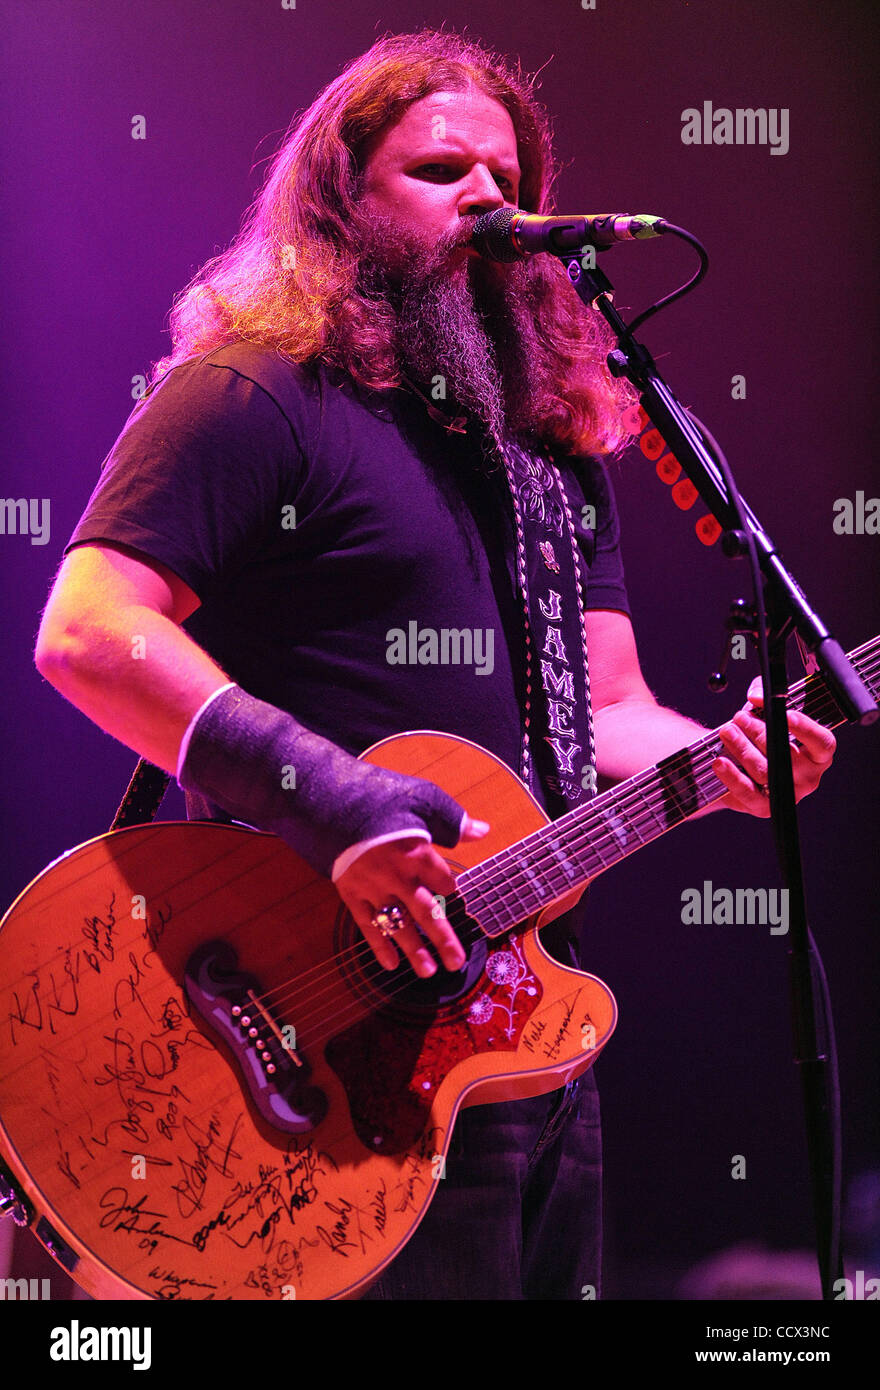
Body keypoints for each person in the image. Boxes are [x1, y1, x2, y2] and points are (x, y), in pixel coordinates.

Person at [34, 29, 836, 1300]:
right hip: (297, 1026)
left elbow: (607, 708)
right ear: (342, 199)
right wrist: (336, 800)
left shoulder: (549, 452)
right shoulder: (255, 393)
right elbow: (87, 629)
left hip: (512, 1035)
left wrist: (722, 761)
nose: (484, 199)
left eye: (505, 178)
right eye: (440, 168)